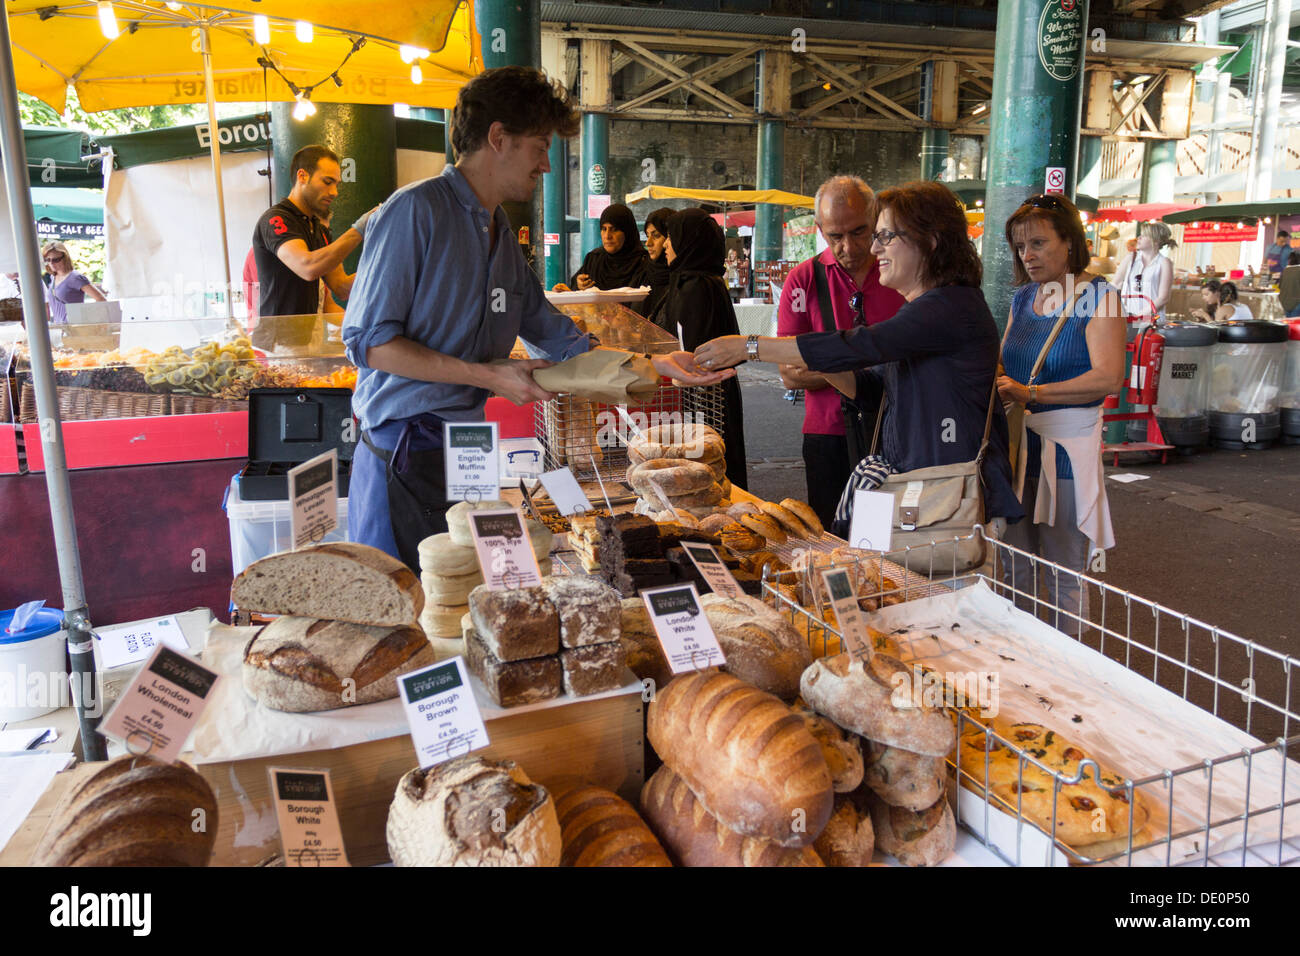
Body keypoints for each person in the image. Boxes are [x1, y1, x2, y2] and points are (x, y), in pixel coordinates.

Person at [341, 67, 729, 569]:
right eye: (540, 146)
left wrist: (655, 365)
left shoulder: (499, 232)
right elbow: (369, 344)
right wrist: (486, 375)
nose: (547, 165)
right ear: (498, 138)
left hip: (467, 440)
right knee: (410, 608)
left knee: (469, 598)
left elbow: (558, 338)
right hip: (403, 446)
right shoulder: (414, 212)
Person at [692, 180, 1023, 538]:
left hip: (948, 495)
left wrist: (750, 346)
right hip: (915, 485)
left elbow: (865, 345)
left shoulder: (950, 306)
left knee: (939, 591)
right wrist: (822, 356)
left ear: (931, 240)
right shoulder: (922, 307)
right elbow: (870, 387)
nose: (874, 248)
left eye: (886, 236)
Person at [997, 193, 1125, 624]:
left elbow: (1108, 378)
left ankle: (1069, 669)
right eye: (1019, 246)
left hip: (1066, 451)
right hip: (1016, 447)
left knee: (1063, 567)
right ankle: (1021, 662)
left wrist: (1032, 395)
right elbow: (1004, 362)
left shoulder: (1099, 296)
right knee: (1013, 563)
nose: (1027, 255)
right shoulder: (1022, 299)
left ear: (1069, 240)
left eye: (1037, 243)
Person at [775, 175, 905, 528]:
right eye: (835, 236)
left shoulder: (901, 270)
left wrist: (825, 364)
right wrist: (879, 361)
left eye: (859, 232)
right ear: (819, 229)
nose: (849, 246)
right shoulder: (803, 279)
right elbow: (790, 374)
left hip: (896, 432)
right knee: (832, 538)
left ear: (876, 216)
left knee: (885, 541)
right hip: (827, 434)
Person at [655, 207, 748, 488]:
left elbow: (691, 353)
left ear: (689, 242)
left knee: (703, 475)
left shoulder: (692, 285)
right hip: (718, 396)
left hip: (701, 400)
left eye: (671, 237)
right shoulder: (709, 281)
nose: (666, 244)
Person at [252, 144, 377, 348]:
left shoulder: (318, 229)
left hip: (309, 340)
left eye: (337, 184)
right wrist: (359, 229)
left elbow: (341, 287)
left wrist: (382, 270)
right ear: (302, 176)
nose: (334, 192)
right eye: (327, 182)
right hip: (279, 344)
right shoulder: (276, 219)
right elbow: (308, 267)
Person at [552, 203, 649, 300]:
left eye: (614, 229)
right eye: (604, 229)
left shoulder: (644, 262)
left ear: (627, 232)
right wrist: (577, 287)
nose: (607, 236)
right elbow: (578, 297)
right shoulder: (594, 259)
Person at [1112, 222, 1175, 320]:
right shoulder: (1130, 258)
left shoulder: (1164, 263)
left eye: (1144, 235)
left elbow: (1163, 297)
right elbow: (1115, 284)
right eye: (1140, 235)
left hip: (1152, 320)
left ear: (1155, 241)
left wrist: (1139, 316)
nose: (1139, 238)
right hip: (1128, 317)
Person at [40, 241, 106, 324]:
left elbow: (101, 299)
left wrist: (86, 317)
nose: (51, 263)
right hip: (59, 328)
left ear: (65, 258)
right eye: (47, 260)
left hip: (74, 328)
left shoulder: (75, 277)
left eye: (56, 260)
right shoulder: (53, 277)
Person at [642, 206, 674, 319]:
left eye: (656, 236)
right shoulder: (644, 272)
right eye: (647, 236)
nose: (648, 243)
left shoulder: (680, 279)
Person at [1279, 251, 1300, 318]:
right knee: (1295, 327)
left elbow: (1280, 286)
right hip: (1297, 303)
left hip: (1284, 302)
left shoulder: (1285, 270)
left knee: (1288, 325)